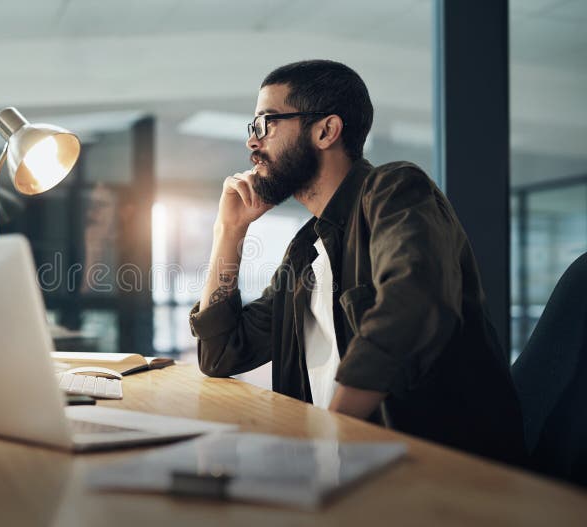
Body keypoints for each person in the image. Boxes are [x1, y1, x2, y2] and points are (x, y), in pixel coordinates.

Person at [189, 60, 527, 465]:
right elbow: (221, 353)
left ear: (326, 131)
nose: (252, 142)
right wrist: (228, 234)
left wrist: (331, 433)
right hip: (335, 475)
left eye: (265, 123)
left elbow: (413, 303)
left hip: (430, 480)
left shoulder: (394, 190)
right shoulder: (306, 251)